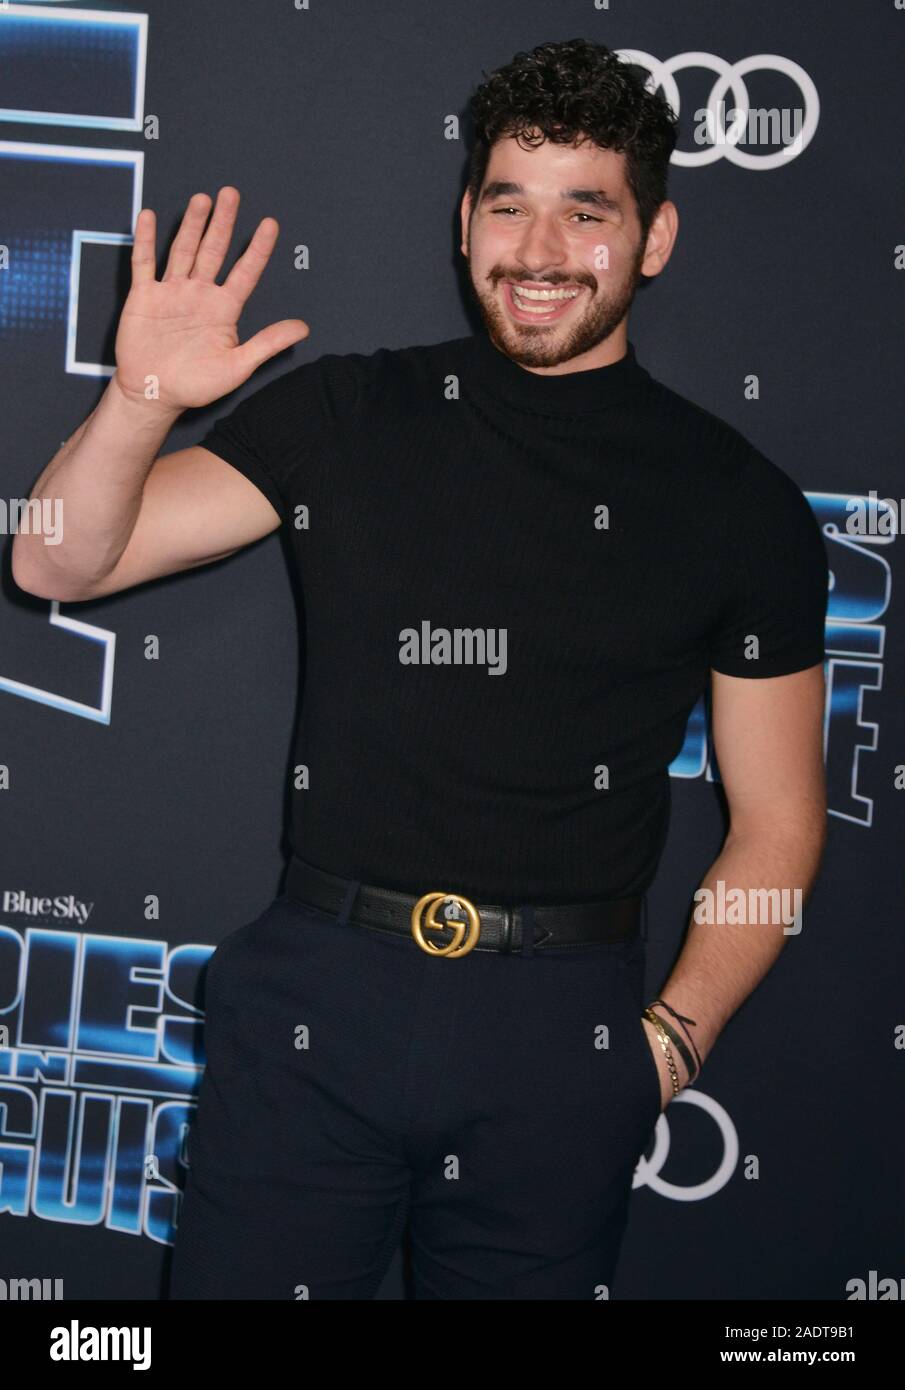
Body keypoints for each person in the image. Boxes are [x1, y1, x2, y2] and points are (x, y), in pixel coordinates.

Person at [12, 38, 828, 1300]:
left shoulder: (743, 508)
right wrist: (136, 395)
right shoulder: (346, 414)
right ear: (464, 222)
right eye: (507, 203)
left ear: (653, 238)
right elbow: (60, 565)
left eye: (585, 210)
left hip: (563, 1034)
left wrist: (666, 1043)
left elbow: (775, 823)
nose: (539, 250)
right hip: (316, 1011)